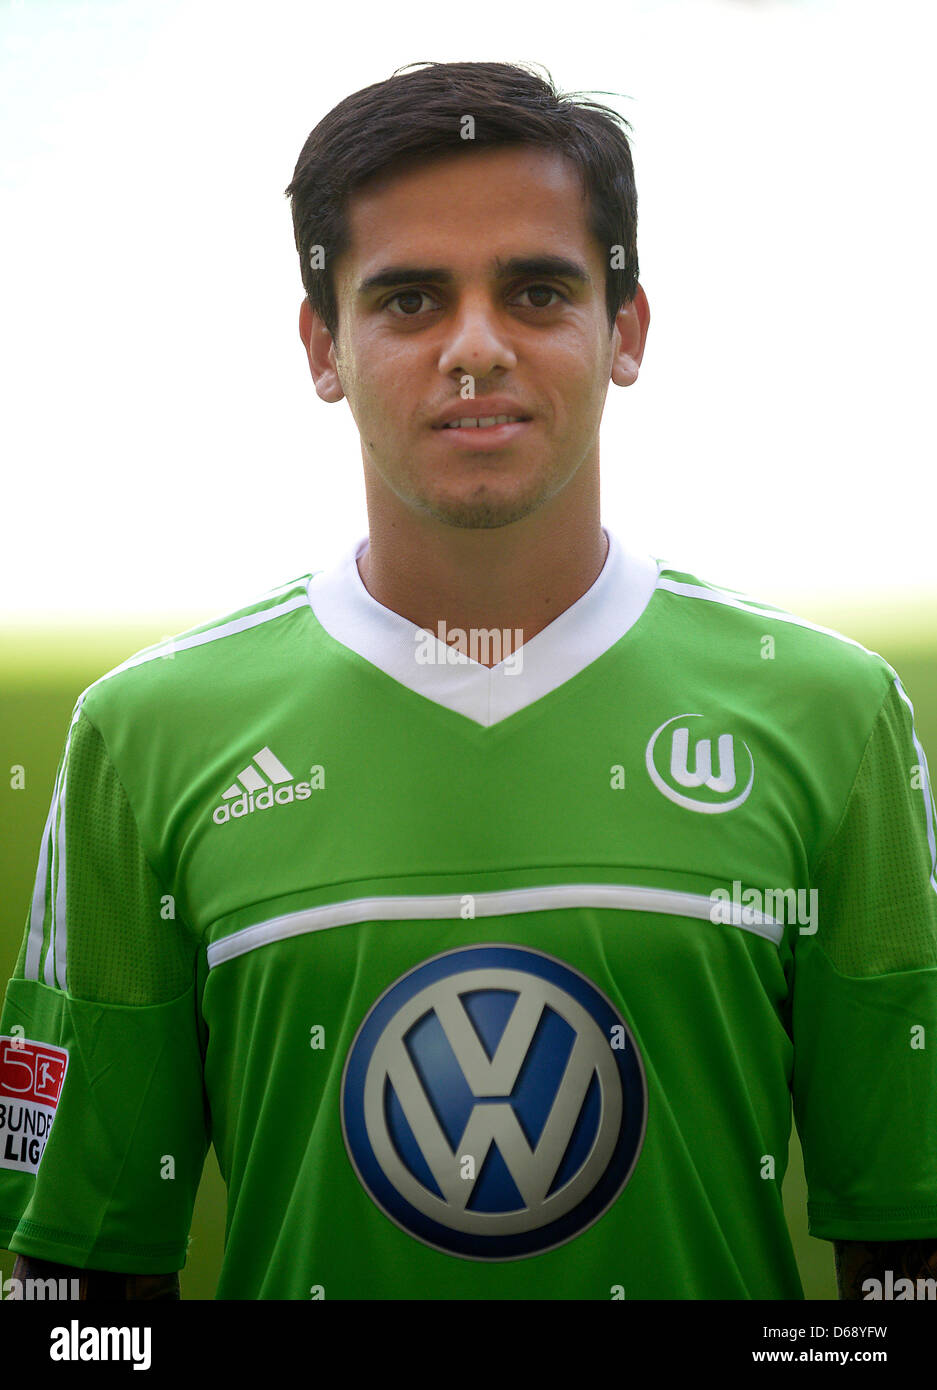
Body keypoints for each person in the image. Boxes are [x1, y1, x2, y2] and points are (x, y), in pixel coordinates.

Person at [2, 60, 936, 1302]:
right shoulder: (147, 734)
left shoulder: (831, 713)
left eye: (538, 290)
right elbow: (81, 1288)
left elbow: (908, 1253)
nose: (477, 349)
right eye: (409, 300)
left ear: (626, 330)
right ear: (323, 345)